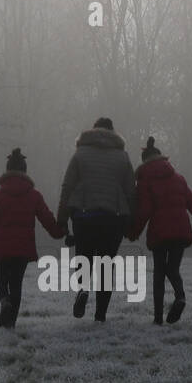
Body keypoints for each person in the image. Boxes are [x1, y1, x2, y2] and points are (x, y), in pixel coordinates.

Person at [128, 137, 192, 324]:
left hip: (160, 234)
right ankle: (180, 297)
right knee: (173, 269)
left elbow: (145, 210)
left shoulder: (145, 180)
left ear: (144, 160)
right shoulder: (179, 179)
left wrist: (133, 232)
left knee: (159, 274)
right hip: (181, 232)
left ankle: (158, 318)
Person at [56, 117, 136, 322]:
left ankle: (83, 289)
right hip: (113, 217)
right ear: (113, 132)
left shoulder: (80, 154)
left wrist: (62, 218)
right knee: (106, 265)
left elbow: (67, 187)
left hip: (84, 215)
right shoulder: (122, 157)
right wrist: (131, 222)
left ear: (93, 131)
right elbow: (130, 192)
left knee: (84, 257)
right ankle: (100, 314)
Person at [0, 147, 64, 330]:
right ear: (25, 171)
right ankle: (11, 323)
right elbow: (46, 218)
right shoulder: (34, 196)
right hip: (23, 248)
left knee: (0, 281)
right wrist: (59, 232)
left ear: (7, 170)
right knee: (16, 284)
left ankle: (4, 302)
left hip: (3, 247)